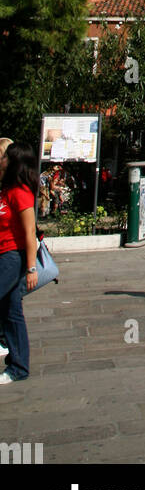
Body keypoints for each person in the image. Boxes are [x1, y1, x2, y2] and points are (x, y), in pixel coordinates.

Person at [0, 143, 40, 383]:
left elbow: (29, 232)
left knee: (10, 311)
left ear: (14, 161)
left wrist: (31, 268)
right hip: (3, 254)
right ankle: (18, 367)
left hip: (12, 257)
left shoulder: (21, 192)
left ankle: (17, 366)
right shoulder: (7, 189)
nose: (2, 159)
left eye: (5, 156)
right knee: (11, 312)